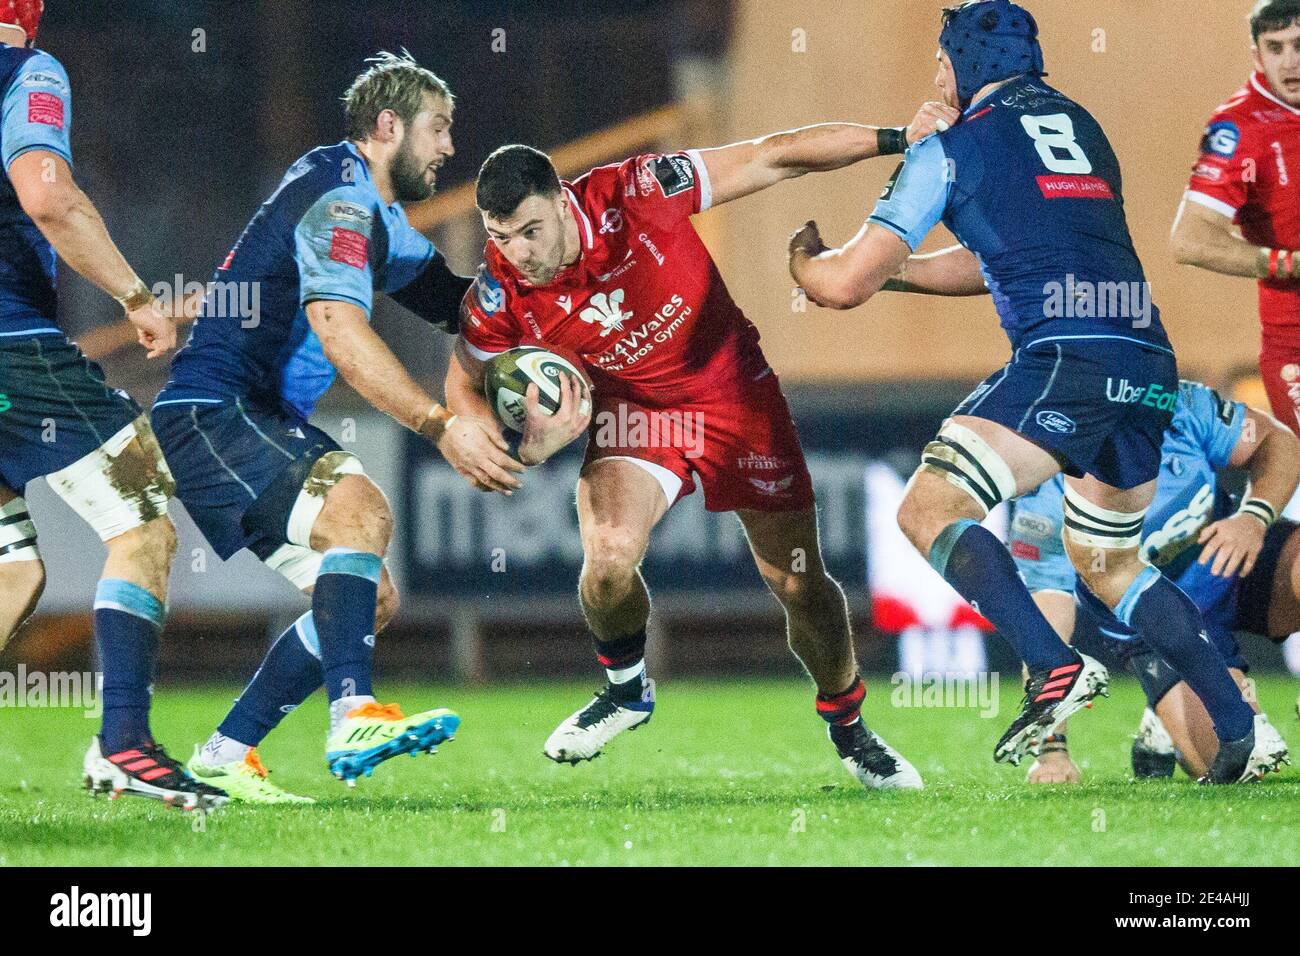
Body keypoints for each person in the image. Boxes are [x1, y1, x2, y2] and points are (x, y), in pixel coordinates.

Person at [788, 0, 1286, 783]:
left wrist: (806, 264)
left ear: (963, 65)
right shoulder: (1083, 131)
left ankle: (1052, 666)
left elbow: (844, 283)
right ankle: (1235, 728)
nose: (937, 75)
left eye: (942, 62)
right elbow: (1008, 253)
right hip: (1145, 360)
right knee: (1110, 560)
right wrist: (901, 274)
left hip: (1065, 359)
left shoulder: (950, 147)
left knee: (929, 508)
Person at [445, 106, 957, 791]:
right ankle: (626, 690)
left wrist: (896, 138)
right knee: (608, 562)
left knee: (800, 585)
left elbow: (772, 153)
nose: (520, 252)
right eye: (502, 237)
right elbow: (463, 376)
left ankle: (851, 730)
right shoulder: (500, 289)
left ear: (564, 204)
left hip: (734, 397)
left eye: (532, 230)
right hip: (634, 416)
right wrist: (469, 429)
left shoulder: (639, 191)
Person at [150, 52, 518, 797]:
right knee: (361, 512)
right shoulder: (341, 204)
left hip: (247, 415)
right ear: (389, 127)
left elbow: (455, 301)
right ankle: (353, 712)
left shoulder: (367, 207)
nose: (449, 148)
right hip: (216, 410)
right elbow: (343, 335)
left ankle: (225, 752)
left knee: (367, 597)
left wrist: (552, 311)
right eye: (438, 129)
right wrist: (441, 424)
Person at [0, 1, 226, 809]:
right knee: (144, 521)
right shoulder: (27, 68)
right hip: (11, 350)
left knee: (15, 568)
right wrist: (137, 295)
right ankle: (125, 742)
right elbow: (48, 197)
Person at [1010, 380, 1296, 782]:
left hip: (1234, 562)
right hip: (1158, 631)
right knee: (1243, 767)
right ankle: (1165, 718)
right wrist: (1052, 751)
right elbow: (1047, 629)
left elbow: (1277, 442)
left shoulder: (1180, 405)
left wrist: (1254, 517)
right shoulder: (1044, 494)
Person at [1172, 0, 1300, 433]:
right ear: (1257, 55)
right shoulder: (1240, 127)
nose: (1290, 62)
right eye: (1276, 47)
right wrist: (1292, 263)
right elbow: (1190, 240)